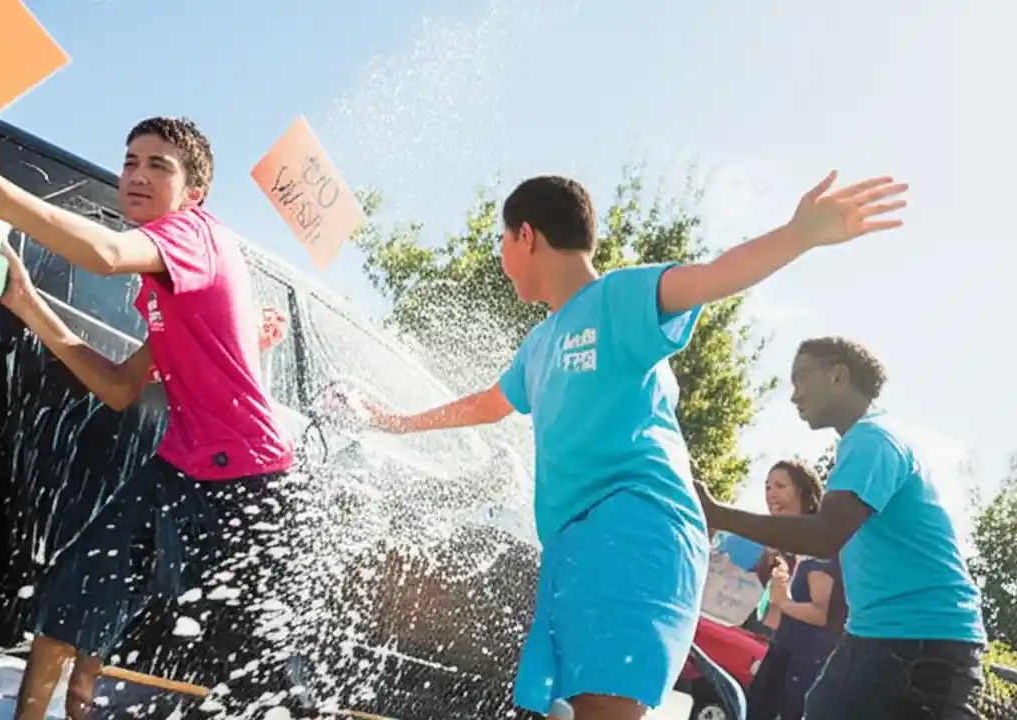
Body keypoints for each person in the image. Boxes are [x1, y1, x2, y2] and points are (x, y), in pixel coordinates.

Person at [363, 171, 907, 719]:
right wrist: (396, 423)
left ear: (525, 235)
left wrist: (800, 234)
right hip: (572, 549)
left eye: (502, 241)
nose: (502, 257)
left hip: (638, 533)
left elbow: (715, 276)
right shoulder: (537, 346)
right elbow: (486, 404)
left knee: (602, 711)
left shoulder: (618, 298)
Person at [0, 118, 299, 720]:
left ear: (194, 193)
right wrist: (27, 303)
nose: (138, 175)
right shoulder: (162, 282)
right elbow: (122, 387)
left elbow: (101, 254)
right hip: (180, 465)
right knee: (75, 588)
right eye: (130, 162)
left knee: (263, 673)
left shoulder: (196, 236)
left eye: (160, 166)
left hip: (250, 485)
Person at [698, 336, 987, 719]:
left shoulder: (873, 439)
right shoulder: (869, 441)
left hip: (921, 643)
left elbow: (824, 535)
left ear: (838, 376)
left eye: (801, 379)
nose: (793, 395)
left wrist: (719, 515)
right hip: (875, 636)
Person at [743, 460, 838, 720]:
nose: (771, 494)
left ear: (805, 497)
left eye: (780, 486)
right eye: (767, 486)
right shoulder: (788, 549)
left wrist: (783, 602)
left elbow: (822, 613)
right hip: (783, 652)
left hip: (807, 664)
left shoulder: (817, 547)